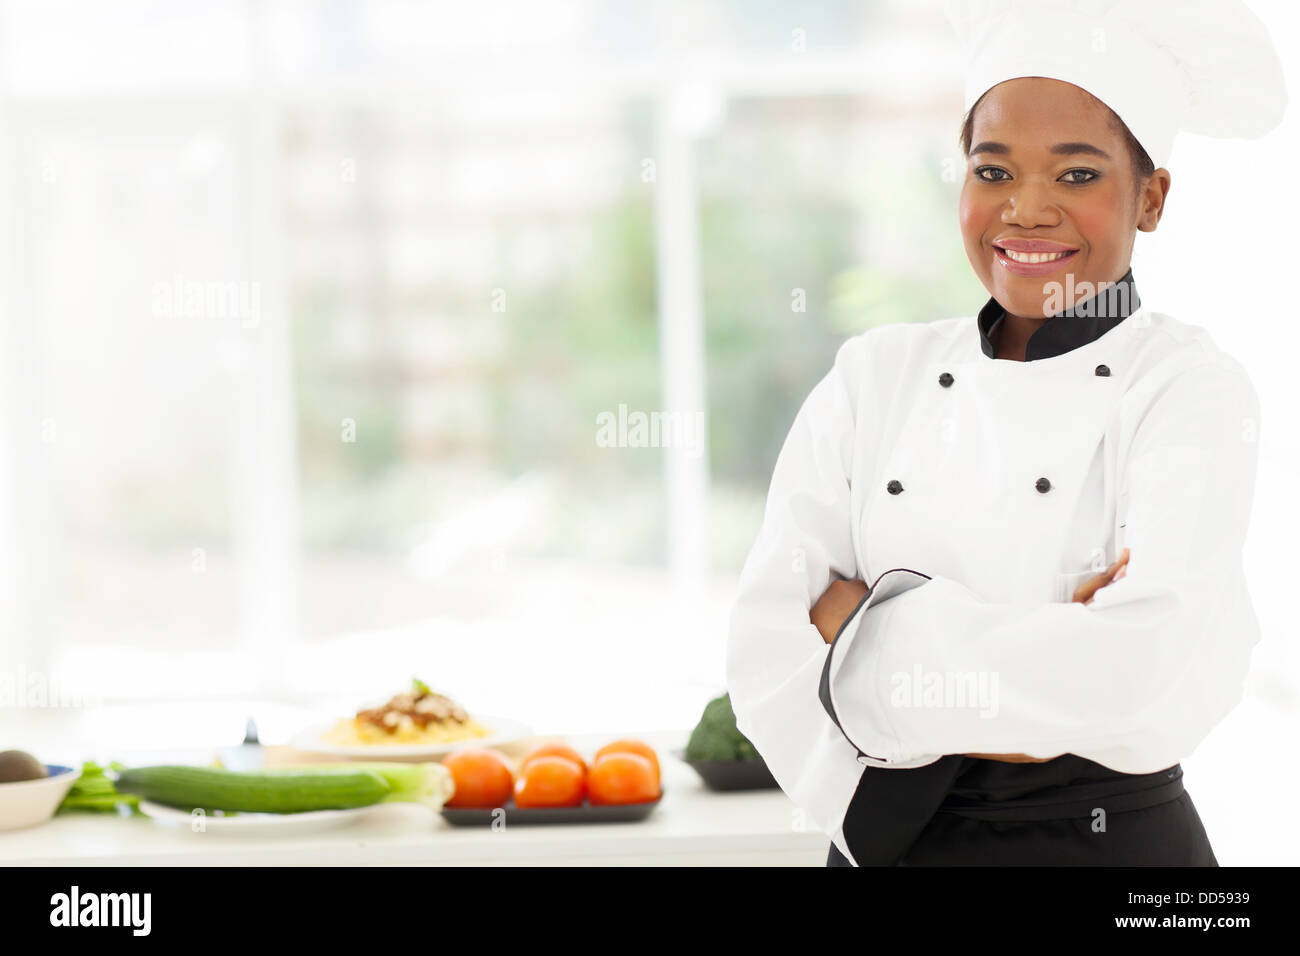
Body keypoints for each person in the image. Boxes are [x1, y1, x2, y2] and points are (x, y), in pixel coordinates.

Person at [725, 0, 1286, 866]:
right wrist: (1051, 659)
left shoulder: (1188, 388)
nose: (1025, 210)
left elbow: (1140, 677)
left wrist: (863, 624)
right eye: (993, 172)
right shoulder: (874, 377)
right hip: (886, 837)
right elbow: (766, 645)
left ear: (1152, 198)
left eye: (1076, 176)